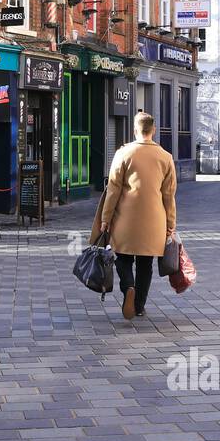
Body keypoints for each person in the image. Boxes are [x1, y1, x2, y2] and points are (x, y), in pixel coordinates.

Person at [92, 111, 177, 320]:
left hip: (125, 218)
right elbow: (169, 194)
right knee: (146, 264)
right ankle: (139, 305)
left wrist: (105, 218)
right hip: (155, 219)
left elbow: (113, 189)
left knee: (122, 258)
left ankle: (128, 286)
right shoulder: (165, 157)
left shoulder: (123, 153)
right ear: (153, 130)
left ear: (135, 130)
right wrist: (170, 222)